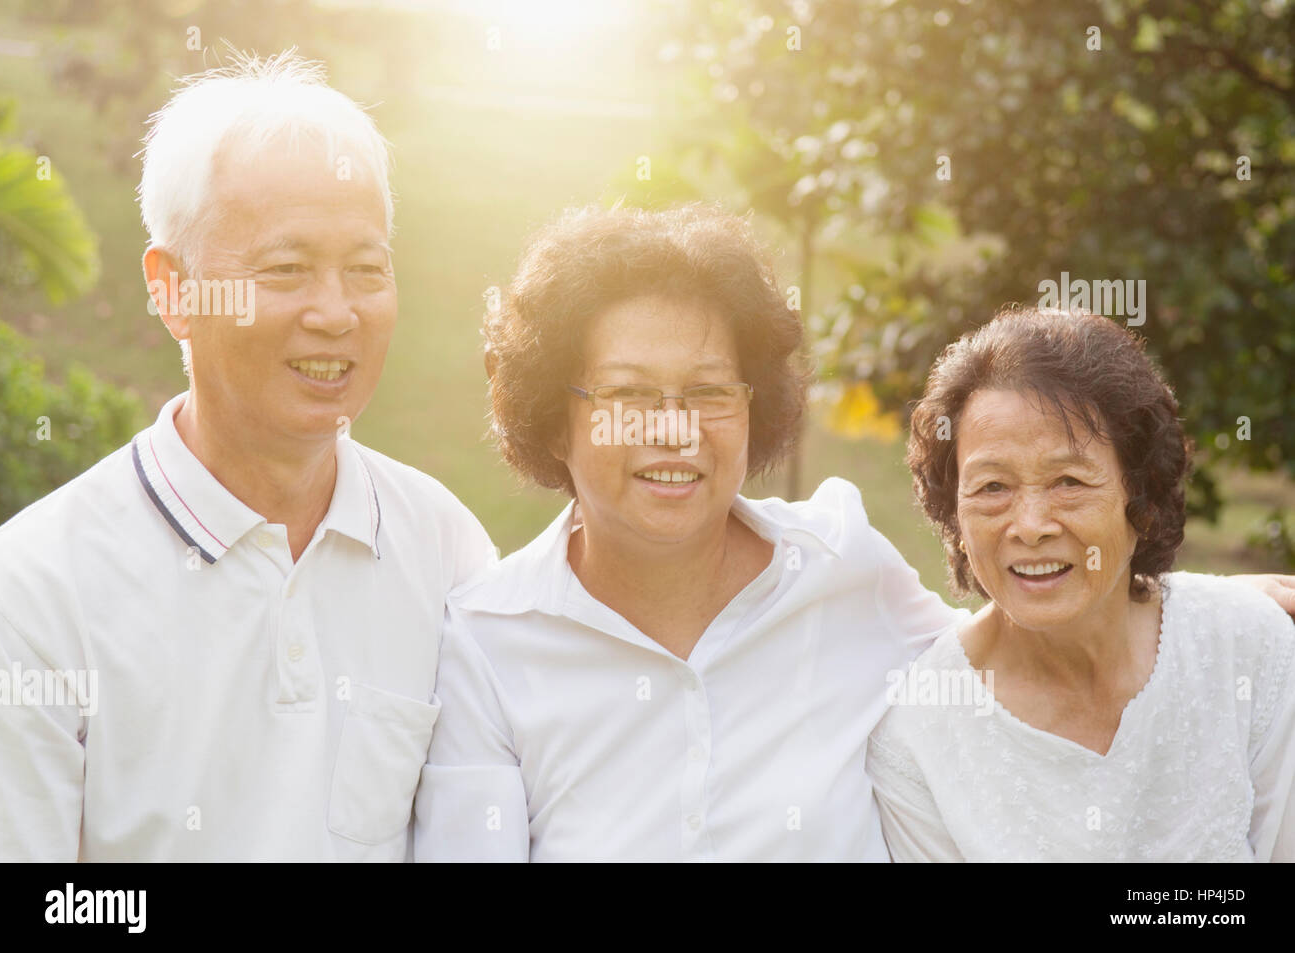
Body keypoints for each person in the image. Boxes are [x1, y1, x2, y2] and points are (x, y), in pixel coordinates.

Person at [412, 204, 1294, 862]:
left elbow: (1006, 633)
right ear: (553, 419)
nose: (674, 431)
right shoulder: (493, 642)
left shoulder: (839, 567)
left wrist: (1199, 618)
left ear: (755, 408)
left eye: (711, 392)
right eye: (630, 396)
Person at [0, 51, 493, 861]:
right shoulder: (35, 590)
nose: (335, 312)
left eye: (367, 269)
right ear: (173, 291)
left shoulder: (448, 552)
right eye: (286, 269)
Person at [866, 307, 1295, 861]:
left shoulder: (1252, 649)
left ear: (1137, 496)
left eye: (1068, 481)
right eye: (992, 486)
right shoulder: (917, 735)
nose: (1030, 525)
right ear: (954, 513)